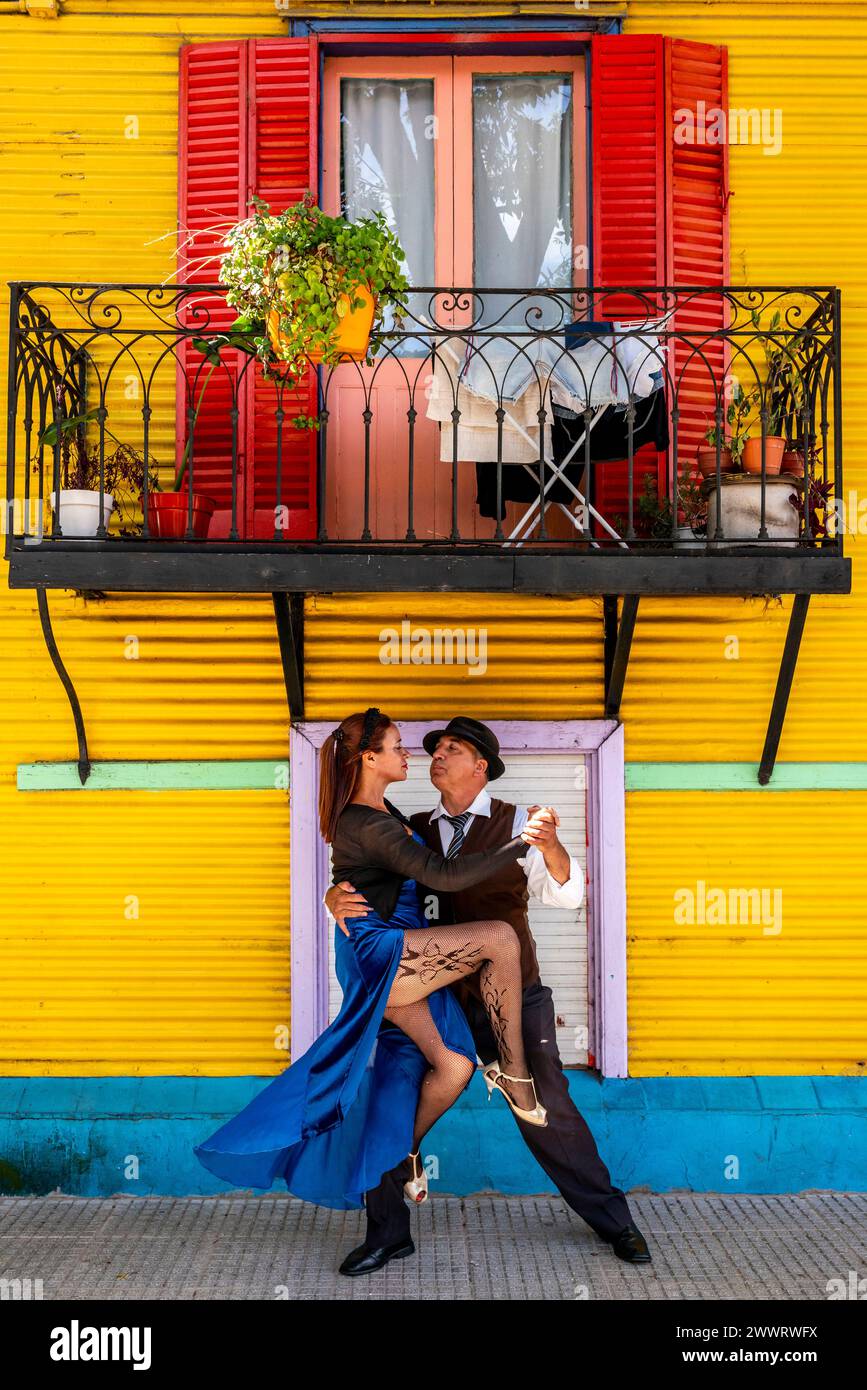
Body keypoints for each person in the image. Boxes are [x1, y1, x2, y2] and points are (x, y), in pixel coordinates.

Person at [193, 707, 553, 1217]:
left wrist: (332, 893)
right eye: (396, 746)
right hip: (381, 957)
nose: (409, 753)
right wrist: (521, 842)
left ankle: (403, 1150)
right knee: (498, 938)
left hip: (403, 955)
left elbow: (380, 877)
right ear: (368, 757)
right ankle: (515, 1076)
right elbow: (443, 876)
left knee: (453, 1066)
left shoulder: (389, 817)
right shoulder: (362, 821)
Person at [326, 715, 652, 1274]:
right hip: (436, 998)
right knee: (390, 1097)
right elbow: (372, 878)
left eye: (451, 749)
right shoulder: (411, 827)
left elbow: (568, 894)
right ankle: (386, 1232)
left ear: (481, 767)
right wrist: (338, 895)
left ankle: (614, 1222)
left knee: (550, 1110)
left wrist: (550, 848)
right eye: (433, 749)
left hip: (515, 996)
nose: (436, 756)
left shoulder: (519, 824)